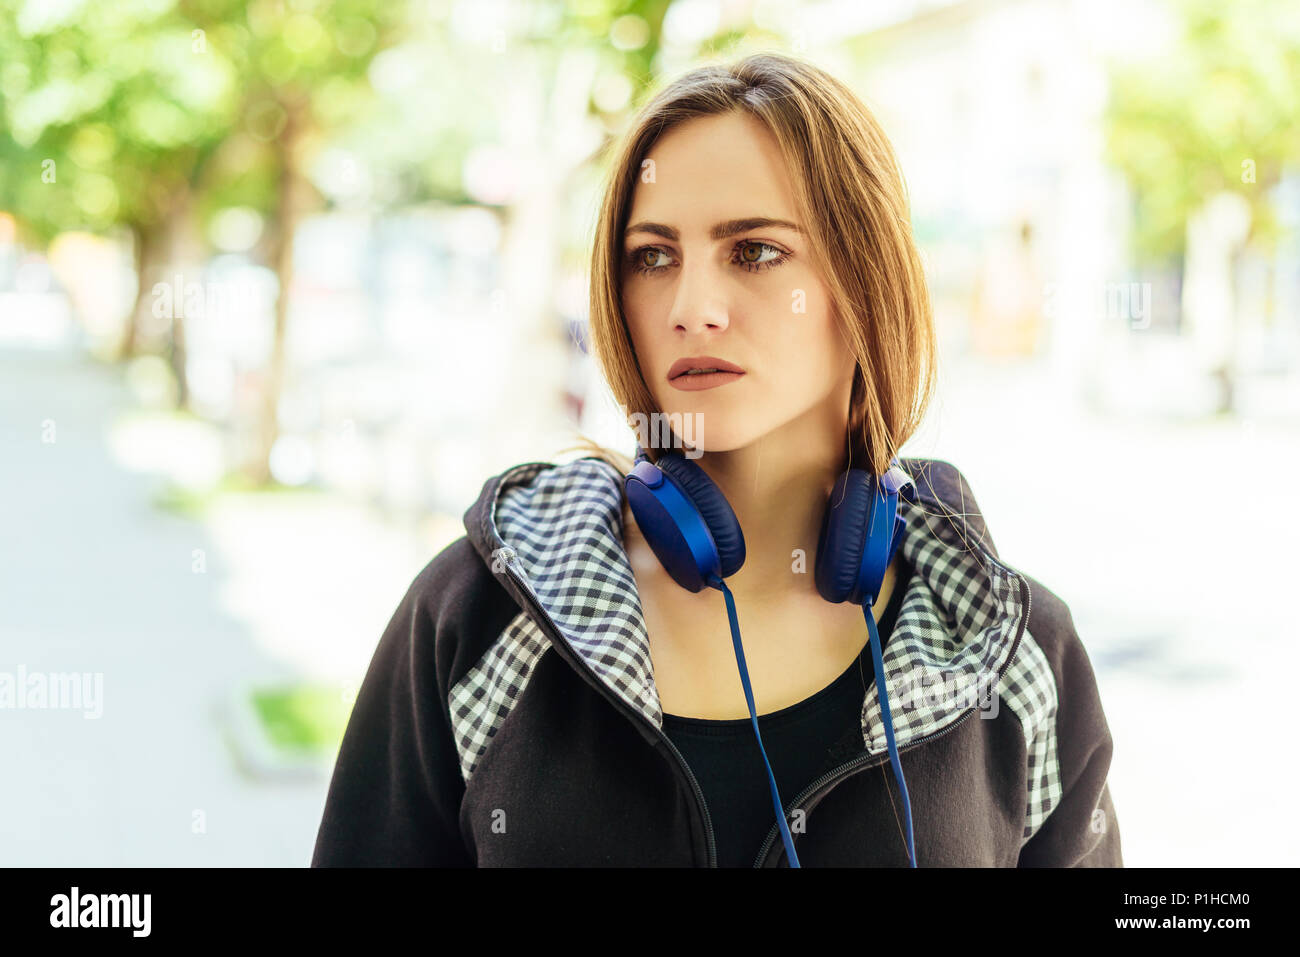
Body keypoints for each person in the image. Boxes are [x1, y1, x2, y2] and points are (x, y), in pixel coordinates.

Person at [310, 52, 1122, 868]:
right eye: (653, 257)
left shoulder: (1017, 659)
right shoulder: (476, 619)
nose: (692, 308)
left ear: (867, 281)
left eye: (756, 251)